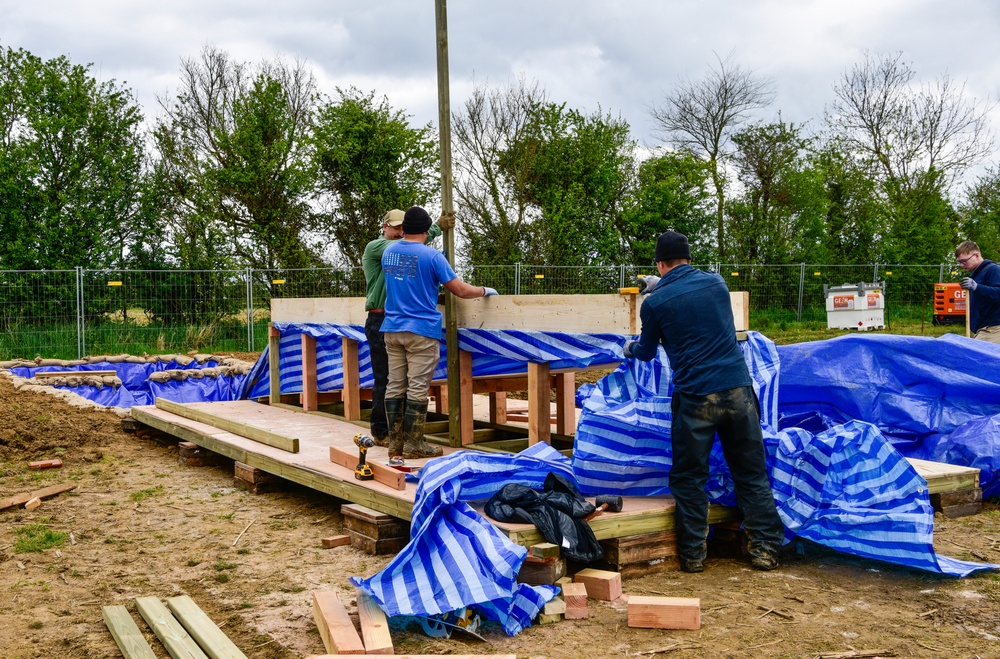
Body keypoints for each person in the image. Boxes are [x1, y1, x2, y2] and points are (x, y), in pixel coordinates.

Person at [622, 230, 784, 573]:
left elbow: (647, 351)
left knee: (689, 477)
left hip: (696, 398)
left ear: (660, 264)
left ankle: (694, 555)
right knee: (751, 473)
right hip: (738, 390)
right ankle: (765, 550)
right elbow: (694, 301)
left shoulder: (654, 304)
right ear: (689, 259)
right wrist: (664, 286)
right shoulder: (718, 285)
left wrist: (630, 346)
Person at [381, 206, 498, 464]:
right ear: (425, 230)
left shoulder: (388, 253)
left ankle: (395, 446)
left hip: (392, 329)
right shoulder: (432, 257)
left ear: (404, 229)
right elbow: (460, 290)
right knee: (418, 387)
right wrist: (484, 290)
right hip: (421, 330)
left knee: (395, 384)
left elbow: (407, 278)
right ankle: (414, 444)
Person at [361, 209, 442, 446]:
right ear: (384, 226)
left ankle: (402, 436)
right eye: (395, 228)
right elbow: (412, 249)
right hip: (381, 320)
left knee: (402, 382)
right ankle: (382, 432)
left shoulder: (399, 251)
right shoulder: (377, 247)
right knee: (386, 379)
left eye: (402, 229)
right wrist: (435, 228)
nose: (399, 233)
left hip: (398, 319)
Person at [956, 240, 1000, 344]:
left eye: (964, 261)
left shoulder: (993, 270)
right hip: (982, 329)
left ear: (976, 255)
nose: (962, 265)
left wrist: (976, 287)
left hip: (994, 328)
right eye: (959, 262)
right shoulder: (976, 274)